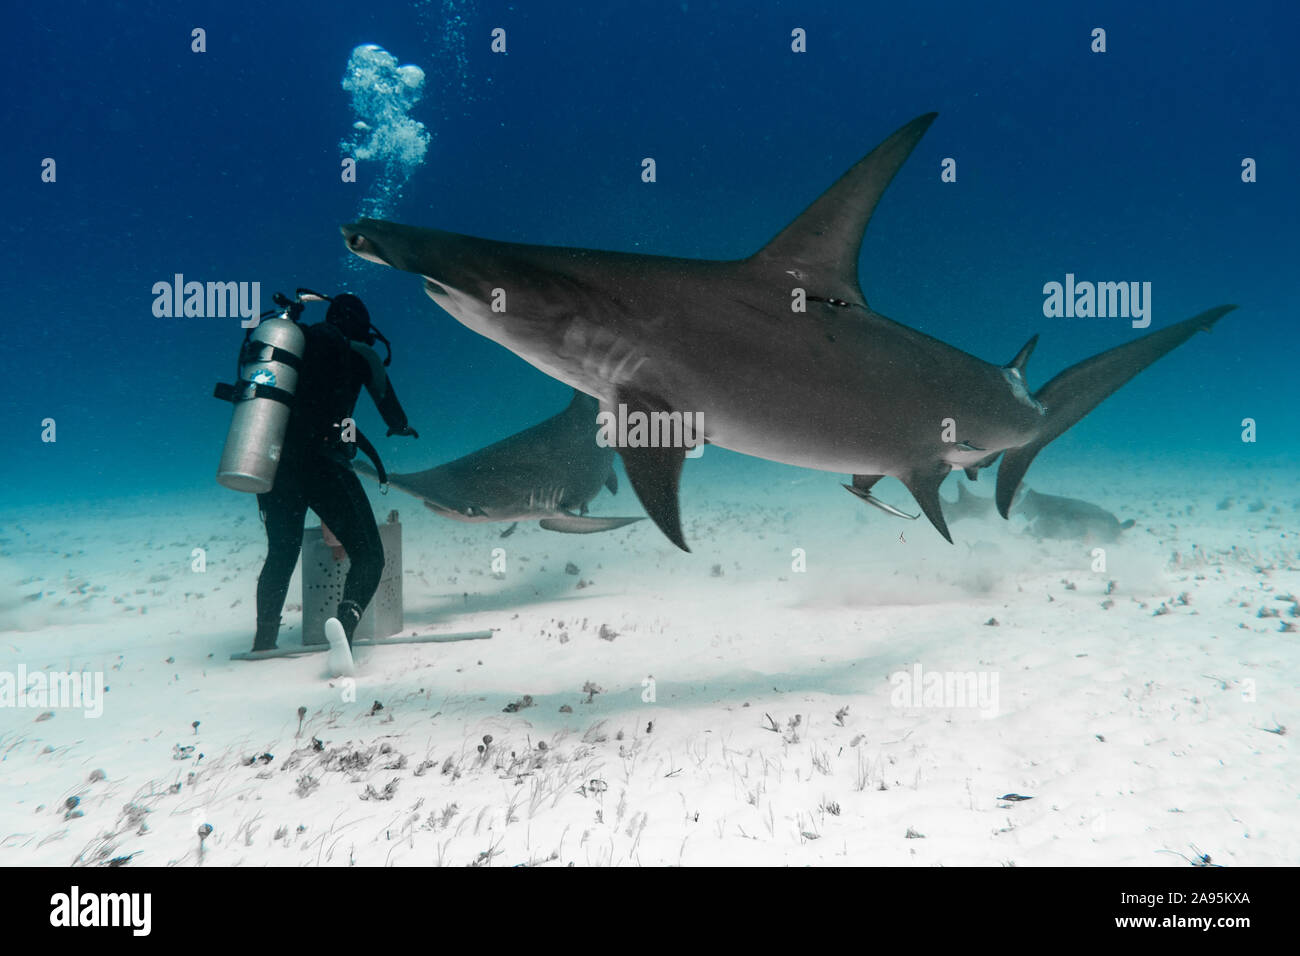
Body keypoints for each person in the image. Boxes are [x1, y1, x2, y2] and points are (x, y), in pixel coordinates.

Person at [251, 293, 417, 653]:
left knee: (281, 552)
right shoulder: (360, 352)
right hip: (324, 463)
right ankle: (344, 629)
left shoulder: (293, 345)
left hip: (274, 460)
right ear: (360, 324)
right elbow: (393, 414)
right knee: (369, 555)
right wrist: (401, 427)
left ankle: (263, 642)